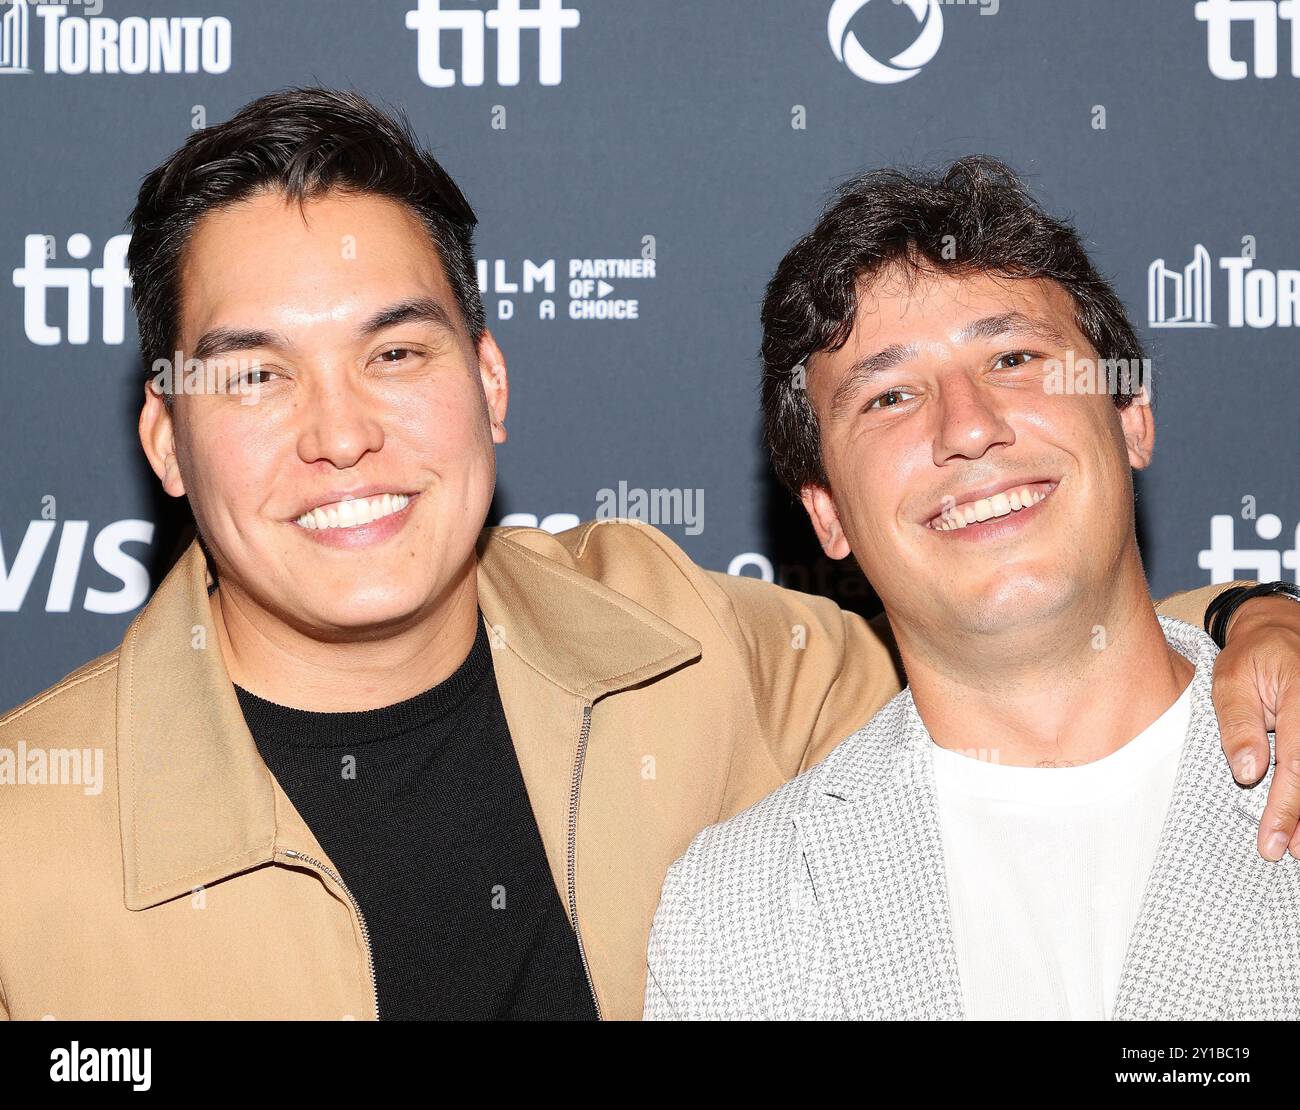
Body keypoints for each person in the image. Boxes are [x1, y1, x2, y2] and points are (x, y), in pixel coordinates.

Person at [0, 92, 1295, 1021]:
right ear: (165, 439)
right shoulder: (26, 835)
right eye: (253, 374)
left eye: (396, 351)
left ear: (490, 381)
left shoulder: (677, 642)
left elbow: (1021, 637)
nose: (341, 433)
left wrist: (1258, 620)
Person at [644, 156, 1300, 1020]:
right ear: (828, 513)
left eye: (1015, 357)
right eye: (888, 396)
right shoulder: (732, 914)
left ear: (1131, 413)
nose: (968, 428)